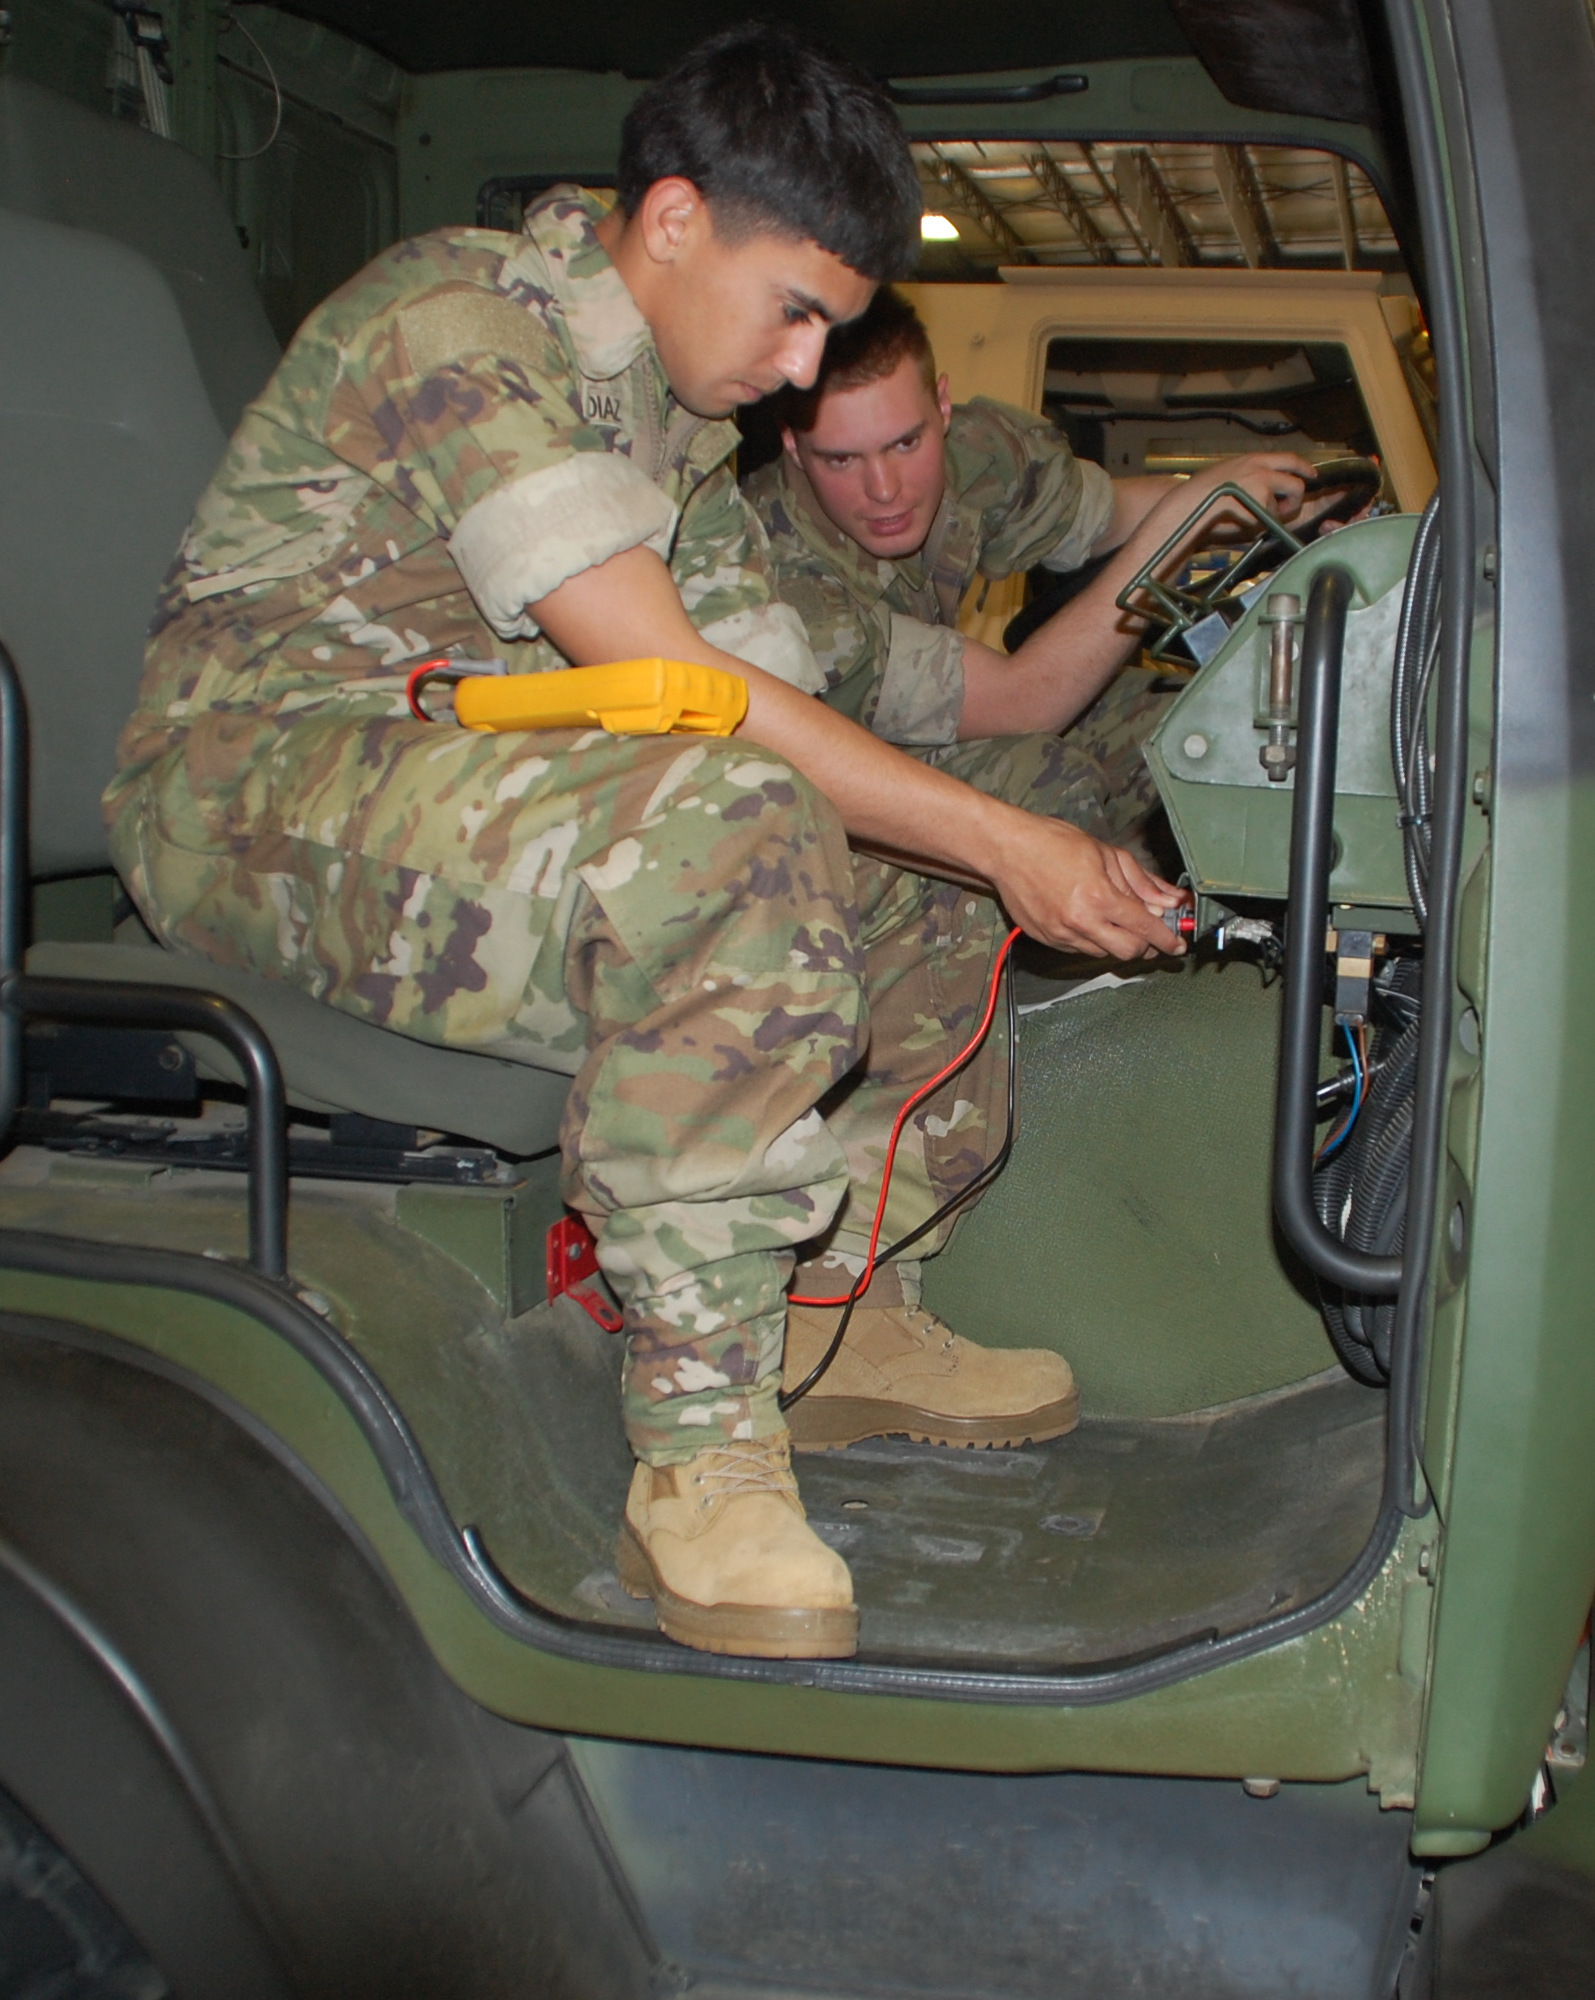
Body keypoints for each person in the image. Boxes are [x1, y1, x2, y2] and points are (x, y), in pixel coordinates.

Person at [103, 23, 1212, 1665]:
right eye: (796, 313)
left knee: (919, 869)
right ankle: (700, 1456)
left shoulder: (670, 436)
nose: (804, 372)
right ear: (677, 221)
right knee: (735, 826)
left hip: (461, 785)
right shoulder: (458, 324)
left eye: (828, 331)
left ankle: (842, 1311)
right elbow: (673, 688)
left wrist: (1003, 843)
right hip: (247, 788)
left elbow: (766, 692)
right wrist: (999, 828)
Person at [743, 285, 1318, 857]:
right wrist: (1180, 531)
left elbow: (1111, 517)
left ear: (942, 408)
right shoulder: (782, 584)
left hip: (928, 737)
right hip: (821, 812)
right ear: (792, 444)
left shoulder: (976, 452)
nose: (885, 489)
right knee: (1045, 787)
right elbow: (1027, 701)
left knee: (1190, 727)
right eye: (841, 459)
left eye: (905, 442)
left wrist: (1289, 507)